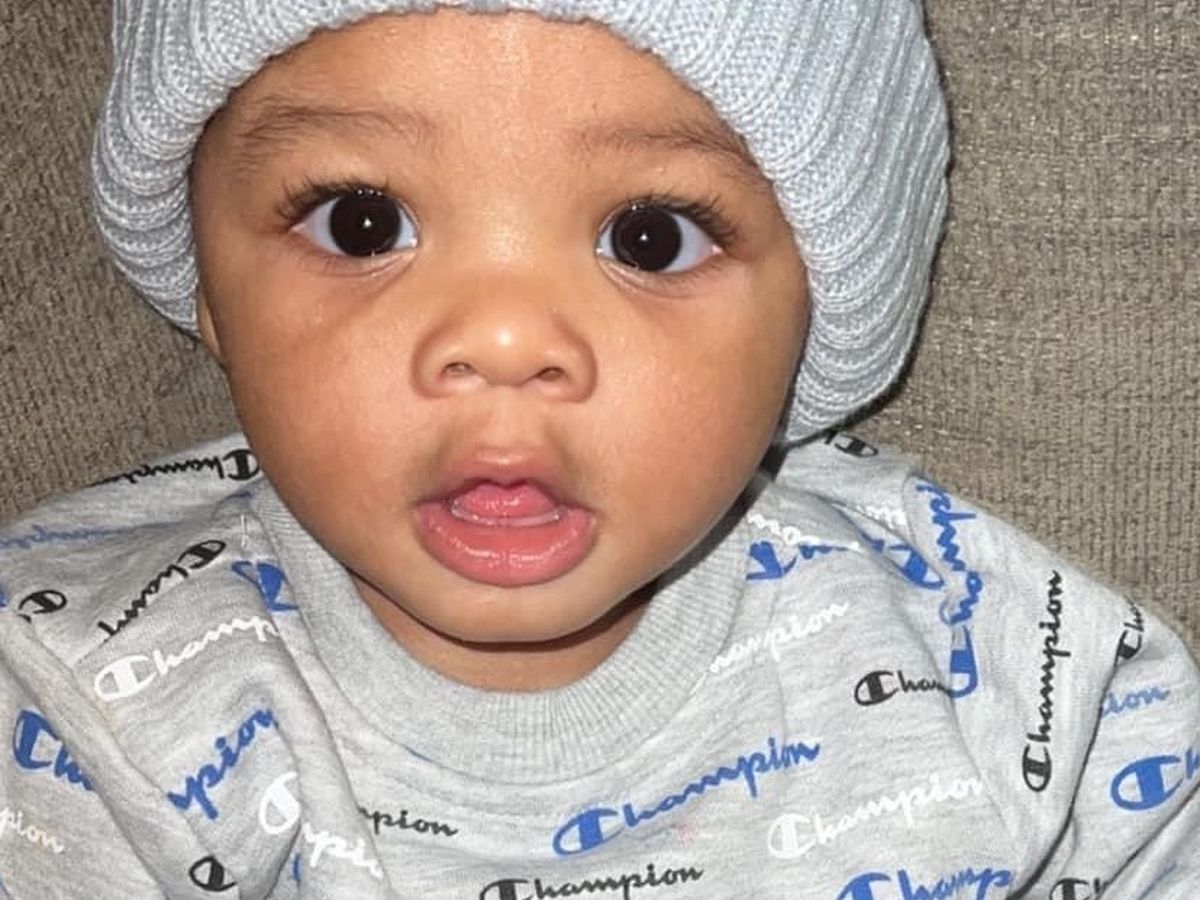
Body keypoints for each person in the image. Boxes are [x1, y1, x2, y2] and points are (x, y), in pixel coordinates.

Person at [0, 1, 1196, 897]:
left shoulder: (1003, 669)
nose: (505, 340)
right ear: (208, 290)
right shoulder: (82, 701)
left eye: (651, 237)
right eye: (363, 224)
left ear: (815, 310)